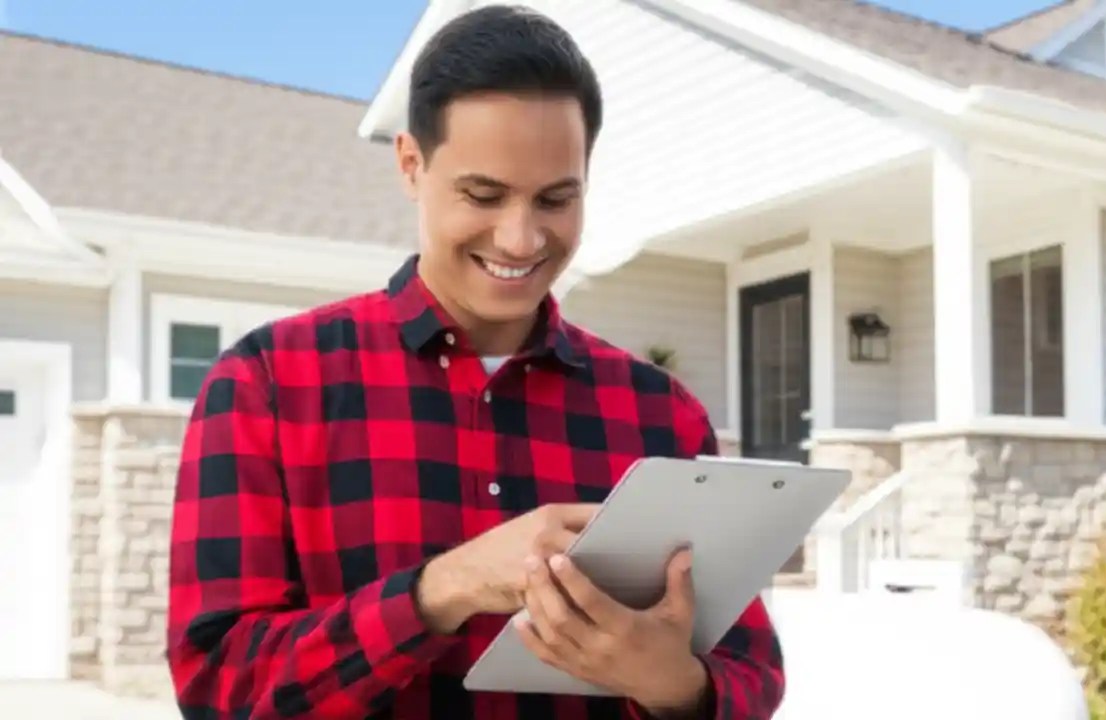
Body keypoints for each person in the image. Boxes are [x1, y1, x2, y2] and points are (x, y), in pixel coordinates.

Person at [165, 5, 785, 719]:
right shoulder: (268, 386)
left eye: (556, 198)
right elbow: (218, 692)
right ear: (410, 165)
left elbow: (751, 676)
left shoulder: (661, 416)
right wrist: (441, 591)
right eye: (483, 195)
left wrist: (672, 684)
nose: (521, 239)